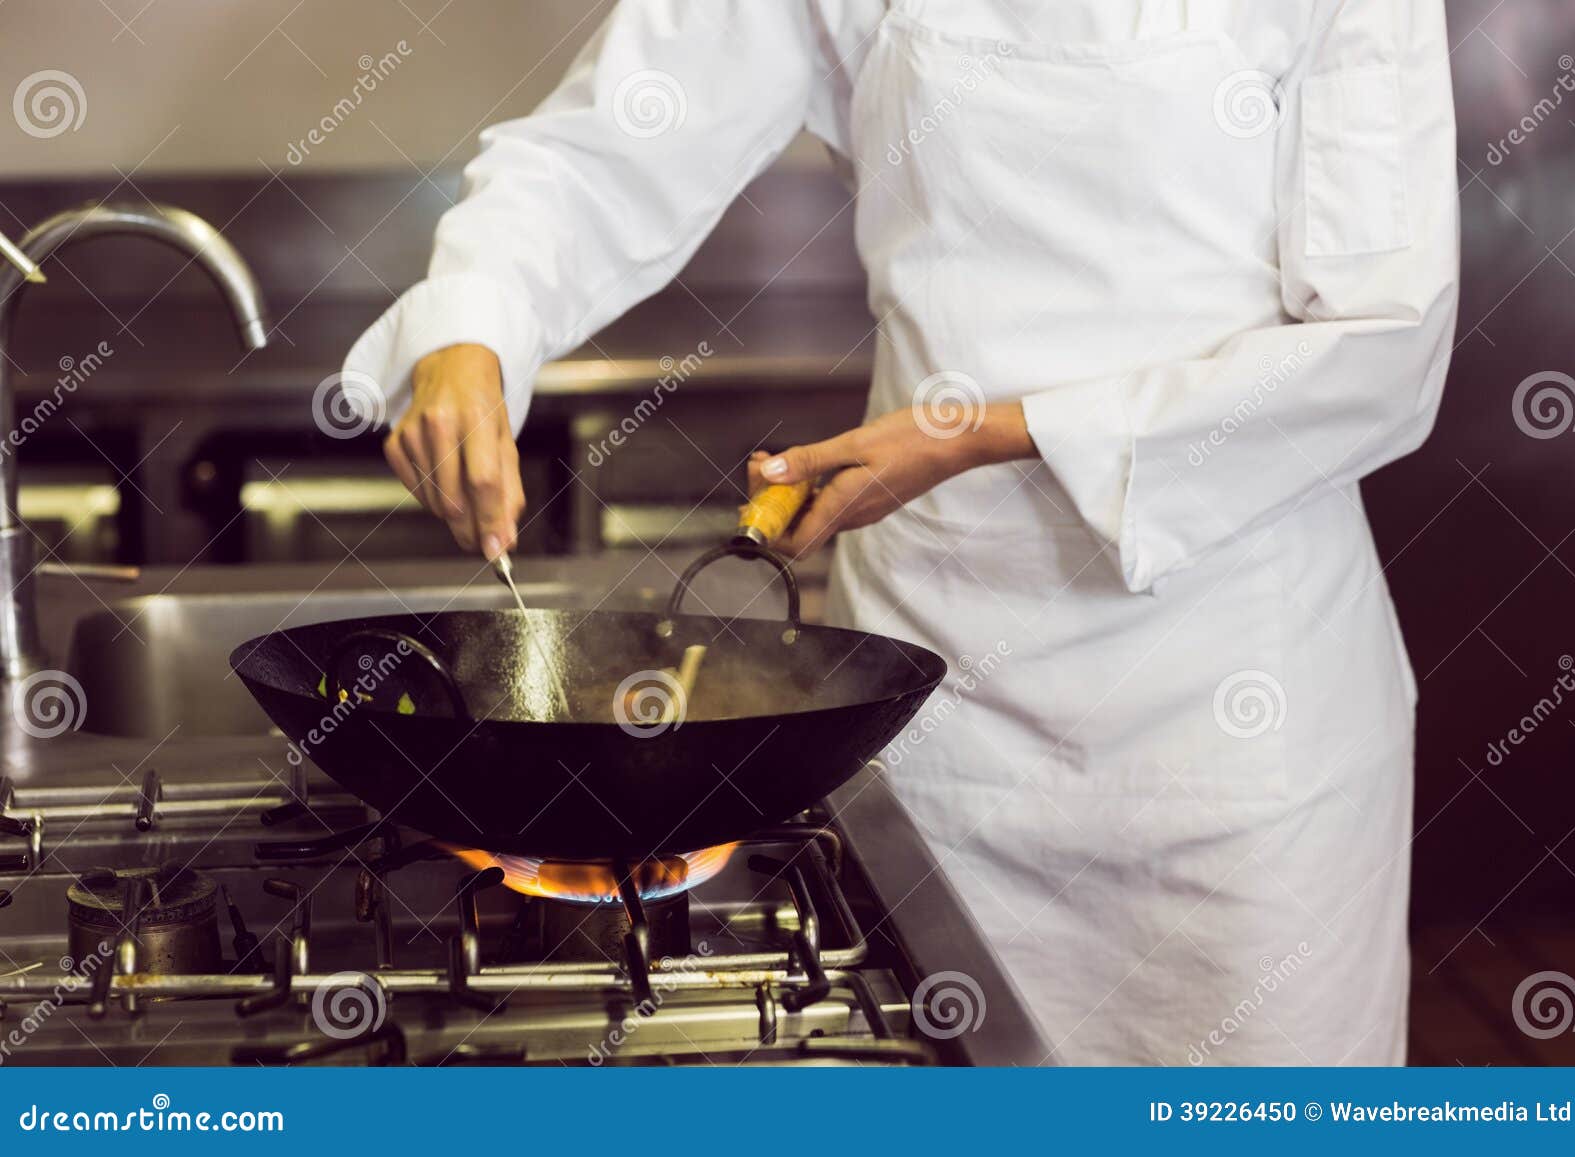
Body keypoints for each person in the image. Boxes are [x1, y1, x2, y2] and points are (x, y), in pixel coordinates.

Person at [344, 0, 1460, 1064]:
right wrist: (475, 320)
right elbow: (617, 142)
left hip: (1233, 749)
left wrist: (993, 432)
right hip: (928, 723)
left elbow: (1380, 343)